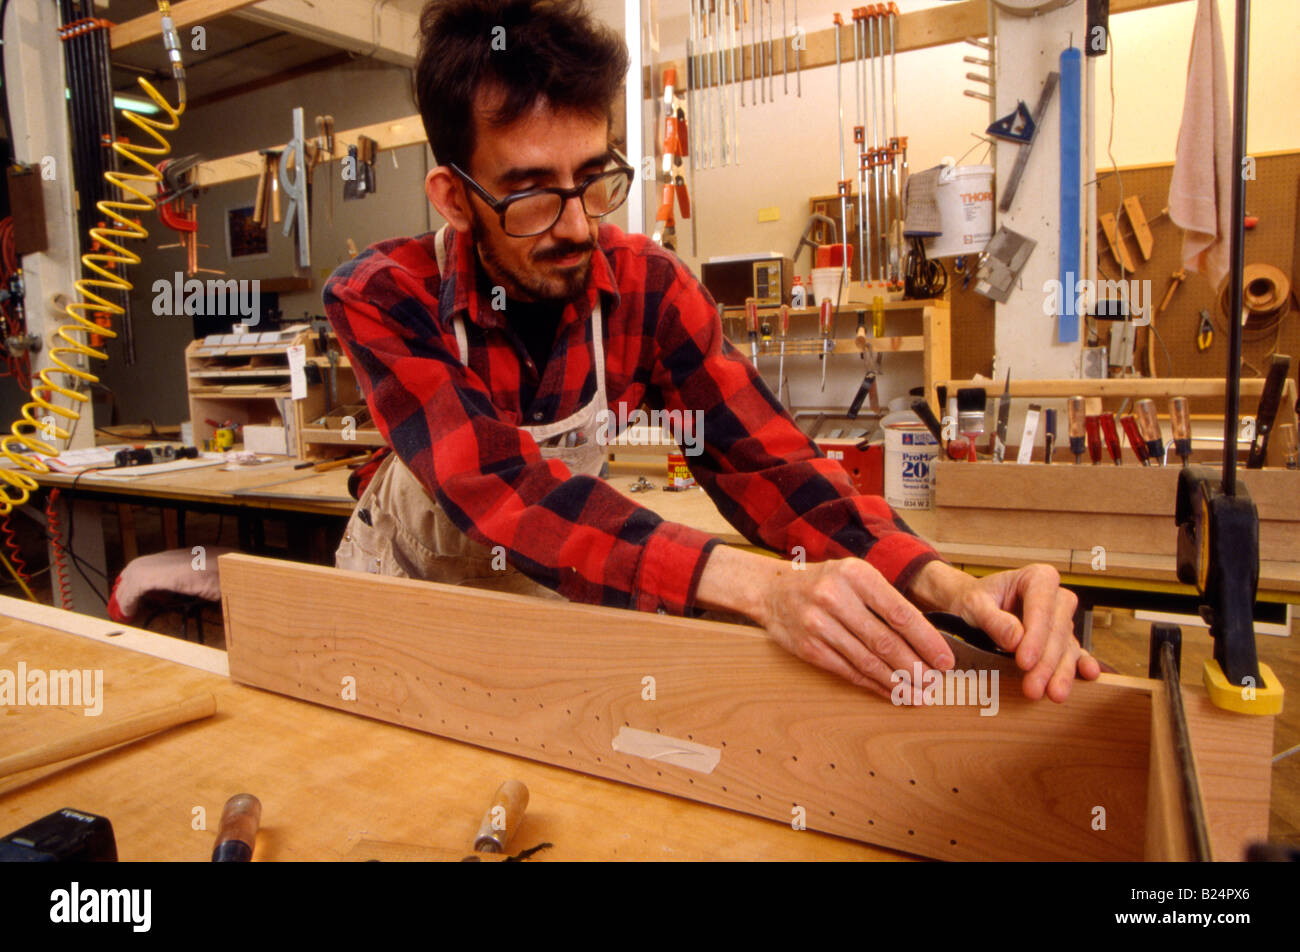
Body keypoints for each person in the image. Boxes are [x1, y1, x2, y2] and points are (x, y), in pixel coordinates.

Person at [324, 0, 1100, 703]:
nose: (575, 227)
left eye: (593, 180)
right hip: (400, 599)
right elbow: (503, 490)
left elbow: (772, 470)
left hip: (550, 592)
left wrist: (943, 586)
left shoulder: (647, 290)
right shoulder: (383, 295)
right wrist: (762, 589)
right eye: (530, 193)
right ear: (454, 198)